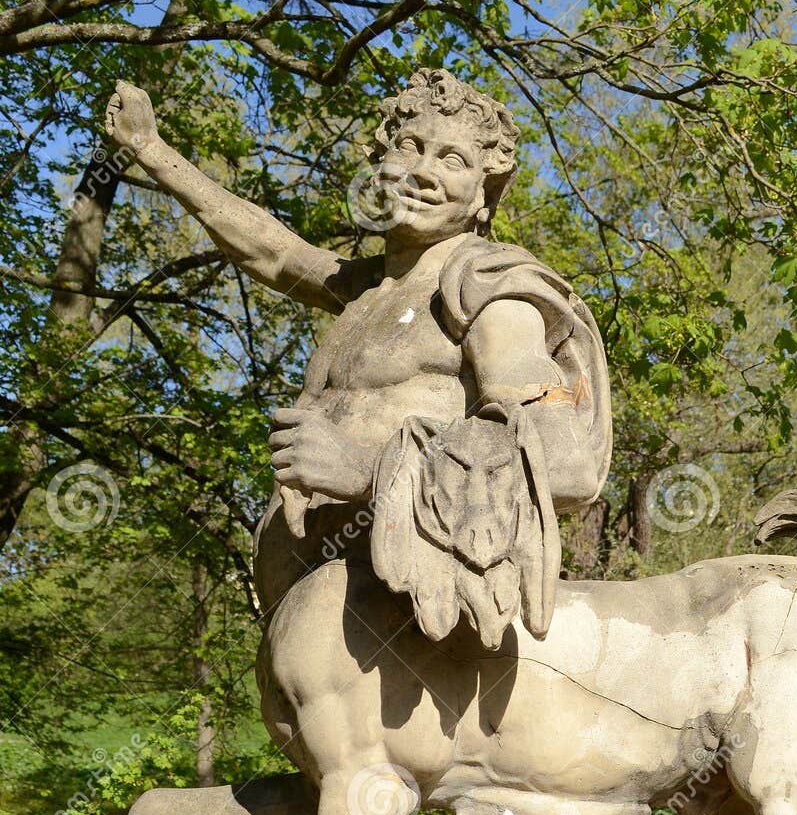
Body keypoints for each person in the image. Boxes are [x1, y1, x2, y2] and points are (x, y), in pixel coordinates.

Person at [104, 68, 611, 621]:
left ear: (483, 195)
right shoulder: (368, 290)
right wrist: (150, 149)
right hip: (302, 621)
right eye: (411, 148)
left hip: (404, 630)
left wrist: (366, 469)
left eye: (452, 160)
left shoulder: (488, 289)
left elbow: (568, 466)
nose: (422, 172)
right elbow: (270, 251)